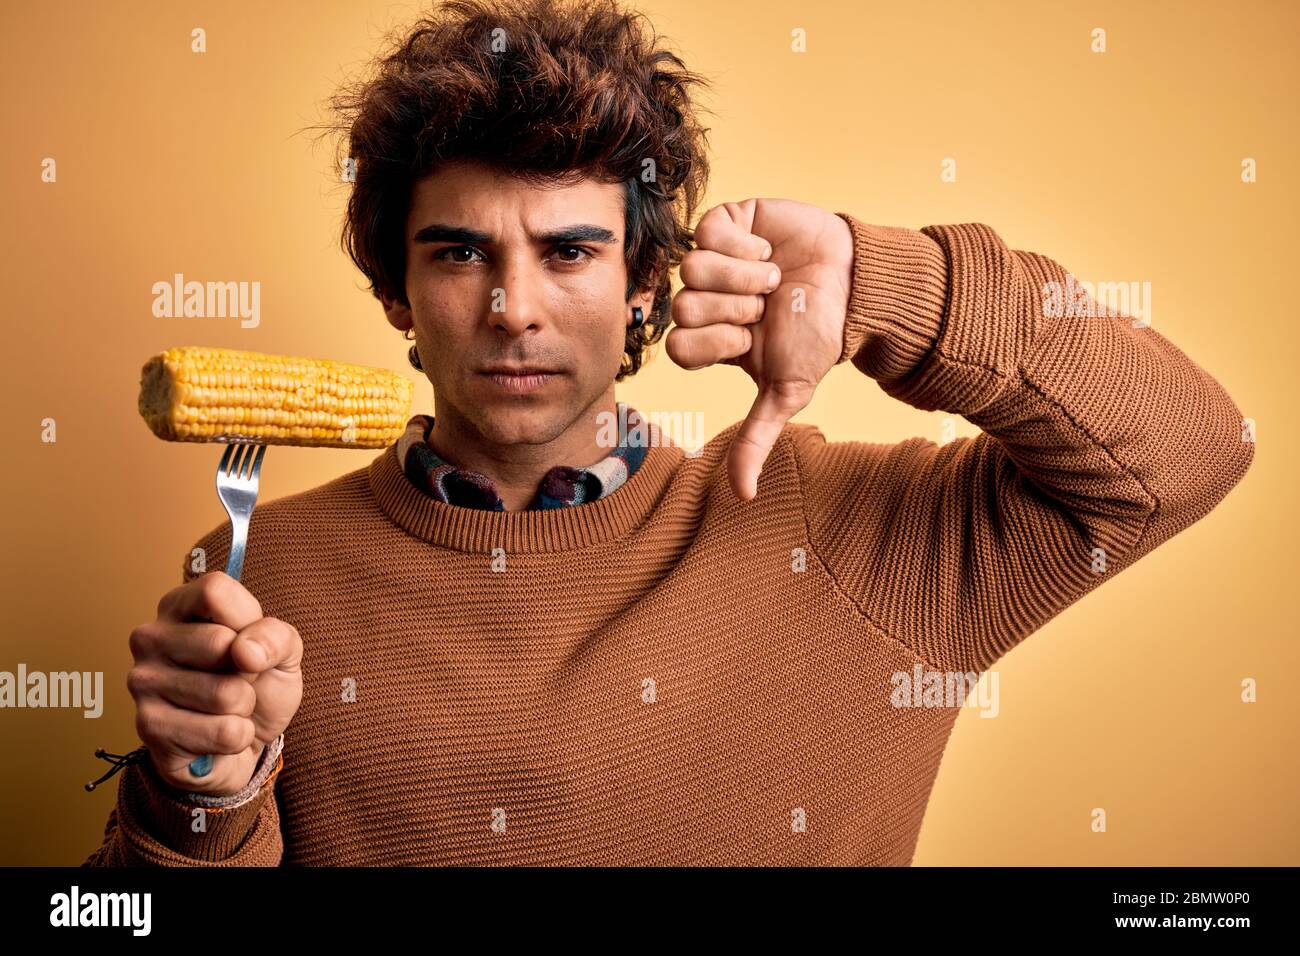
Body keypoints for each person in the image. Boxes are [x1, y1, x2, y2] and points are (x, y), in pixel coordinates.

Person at [84, 0, 1253, 866]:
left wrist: (888, 284)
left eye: (571, 250)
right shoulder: (256, 571)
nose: (514, 307)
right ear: (395, 291)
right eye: (457, 252)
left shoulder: (849, 537)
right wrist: (201, 792)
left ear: (648, 281)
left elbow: (1194, 449)